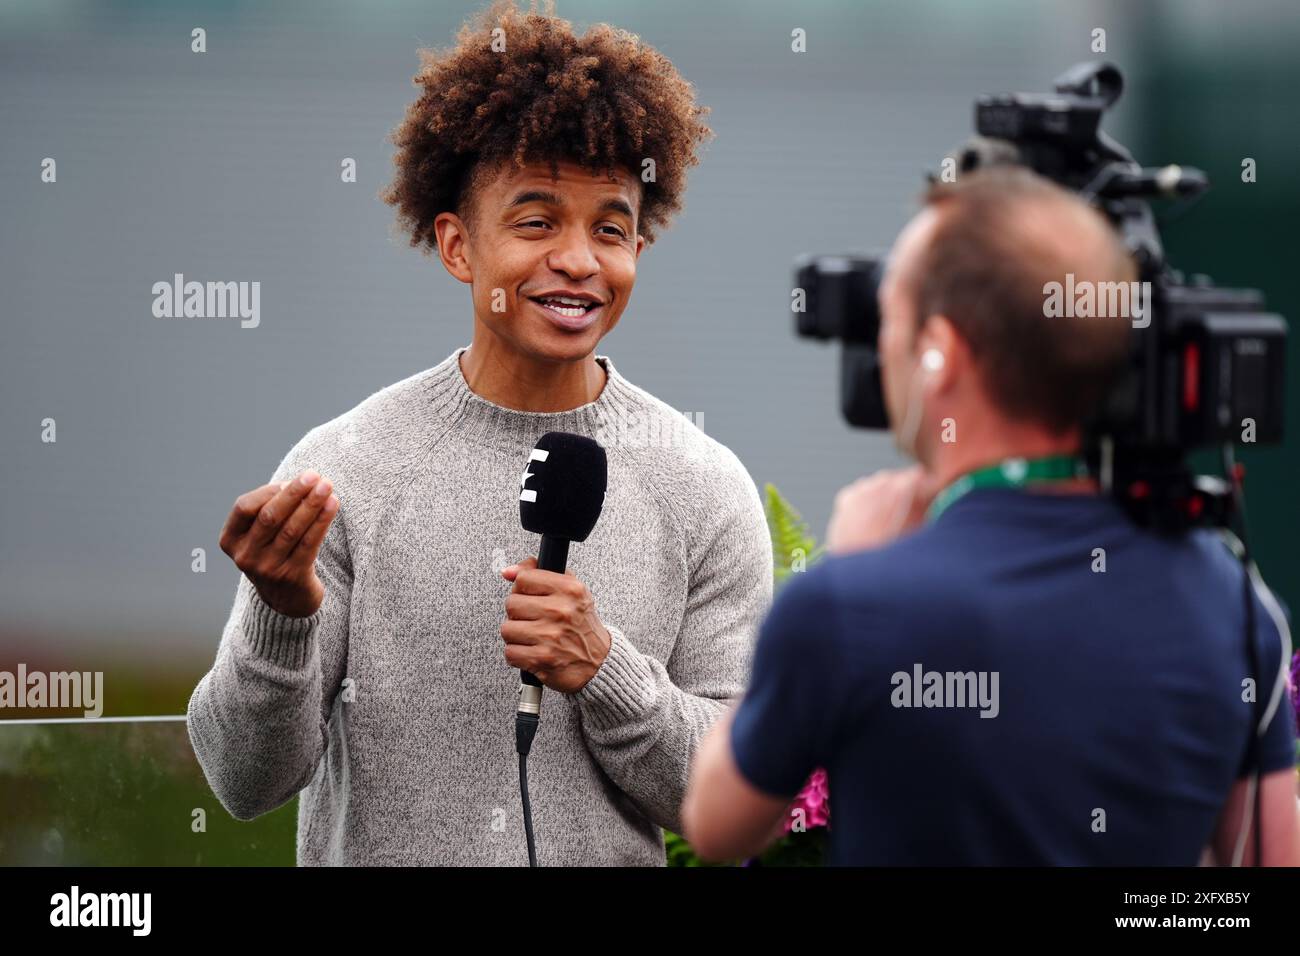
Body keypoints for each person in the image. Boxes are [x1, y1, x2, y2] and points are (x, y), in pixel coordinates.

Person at [187, 0, 773, 865]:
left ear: (636, 254)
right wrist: (283, 616)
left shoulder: (705, 486)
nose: (578, 259)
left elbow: (739, 805)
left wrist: (603, 667)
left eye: (610, 228)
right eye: (537, 221)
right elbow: (244, 782)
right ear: (458, 247)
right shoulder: (347, 466)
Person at [682, 166, 1300, 865]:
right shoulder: (1228, 599)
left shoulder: (848, 608)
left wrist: (852, 573)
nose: (880, 346)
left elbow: (716, 824)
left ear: (941, 351)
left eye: (890, 315)